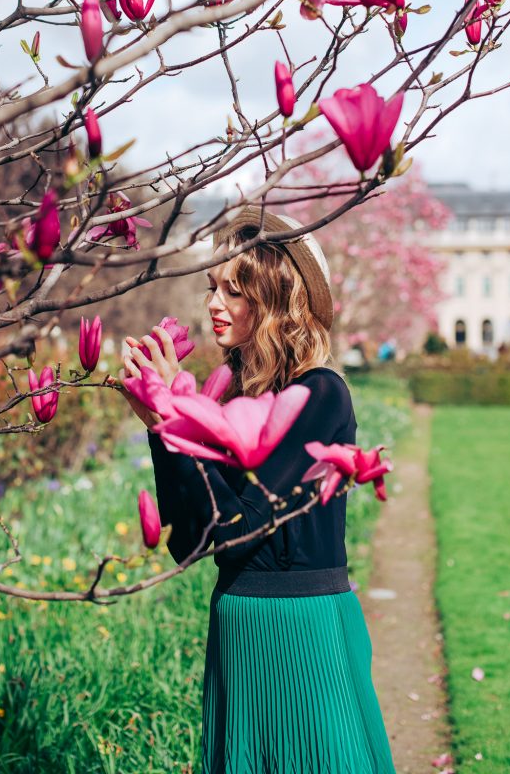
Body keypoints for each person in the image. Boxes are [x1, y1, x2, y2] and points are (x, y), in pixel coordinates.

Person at [116, 206, 397, 774]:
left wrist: (178, 412)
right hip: (240, 623)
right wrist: (164, 427)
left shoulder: (319, 395)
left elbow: (239, 531)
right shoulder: (231, 399)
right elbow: (189, 541)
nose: (215, 304)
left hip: (301, 630)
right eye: (212, 288)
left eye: (235, 291)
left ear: (274, 301)